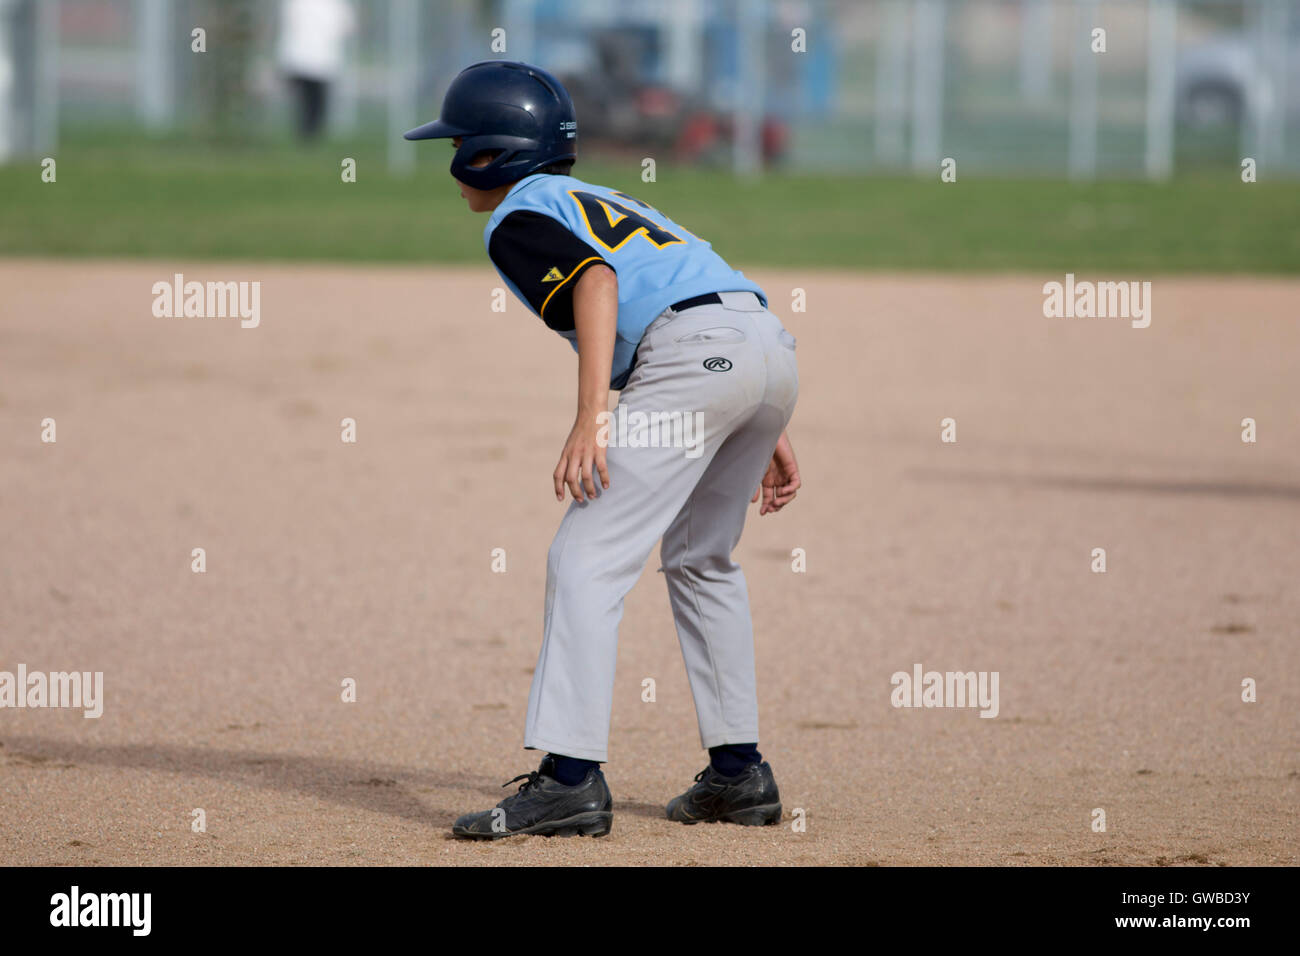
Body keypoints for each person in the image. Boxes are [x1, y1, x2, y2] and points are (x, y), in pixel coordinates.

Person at [405, 61, 801, 839]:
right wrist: (762, 416)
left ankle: (569, 781)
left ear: (488, 154)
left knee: (585, 559)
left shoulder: (518, 214)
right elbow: (707, 290)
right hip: (765, 351)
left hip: (696, 362)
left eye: (458, 145)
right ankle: (738, 774)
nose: (452, 167)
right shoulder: (605, 196)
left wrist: (592, 416)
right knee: (702, 558)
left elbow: (594, 281)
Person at [276, 0, 354, 141]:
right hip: (320, 60)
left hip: (302, 58)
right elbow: (347, 26)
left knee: (306, 98)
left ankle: (306, 131)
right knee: (315, 100)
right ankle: (310, 131)